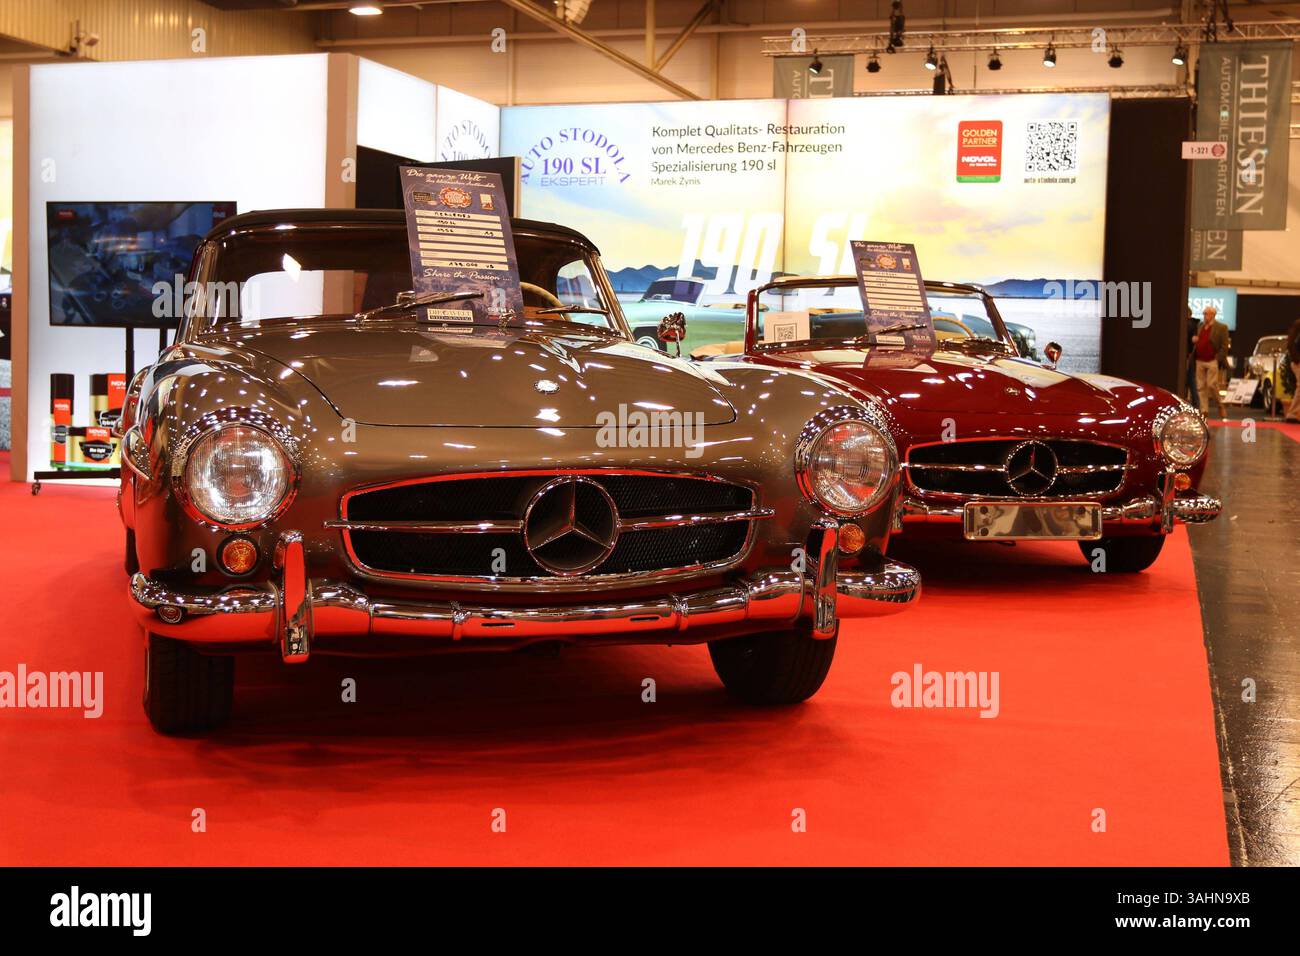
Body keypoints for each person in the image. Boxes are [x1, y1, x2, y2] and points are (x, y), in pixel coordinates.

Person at [1193, 305, 1229, 419]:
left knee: (1212, 385)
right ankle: (1204, 411)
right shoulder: (1200, 326)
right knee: (1200, 387)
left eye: (1206, 313)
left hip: (1212, 360)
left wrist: (1218, 358)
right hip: (1199, 360)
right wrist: (1195, 340)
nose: (1204, 316)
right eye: (1204, 313)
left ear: (1213, 315)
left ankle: (1220, 405)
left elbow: (1224, 346)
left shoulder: (1221, 327)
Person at [1286, 317, 1300, 423]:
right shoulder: (1298, 324)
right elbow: (1290, 343)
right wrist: (1297, 360)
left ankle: (1293, 413)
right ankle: (1292, 414)